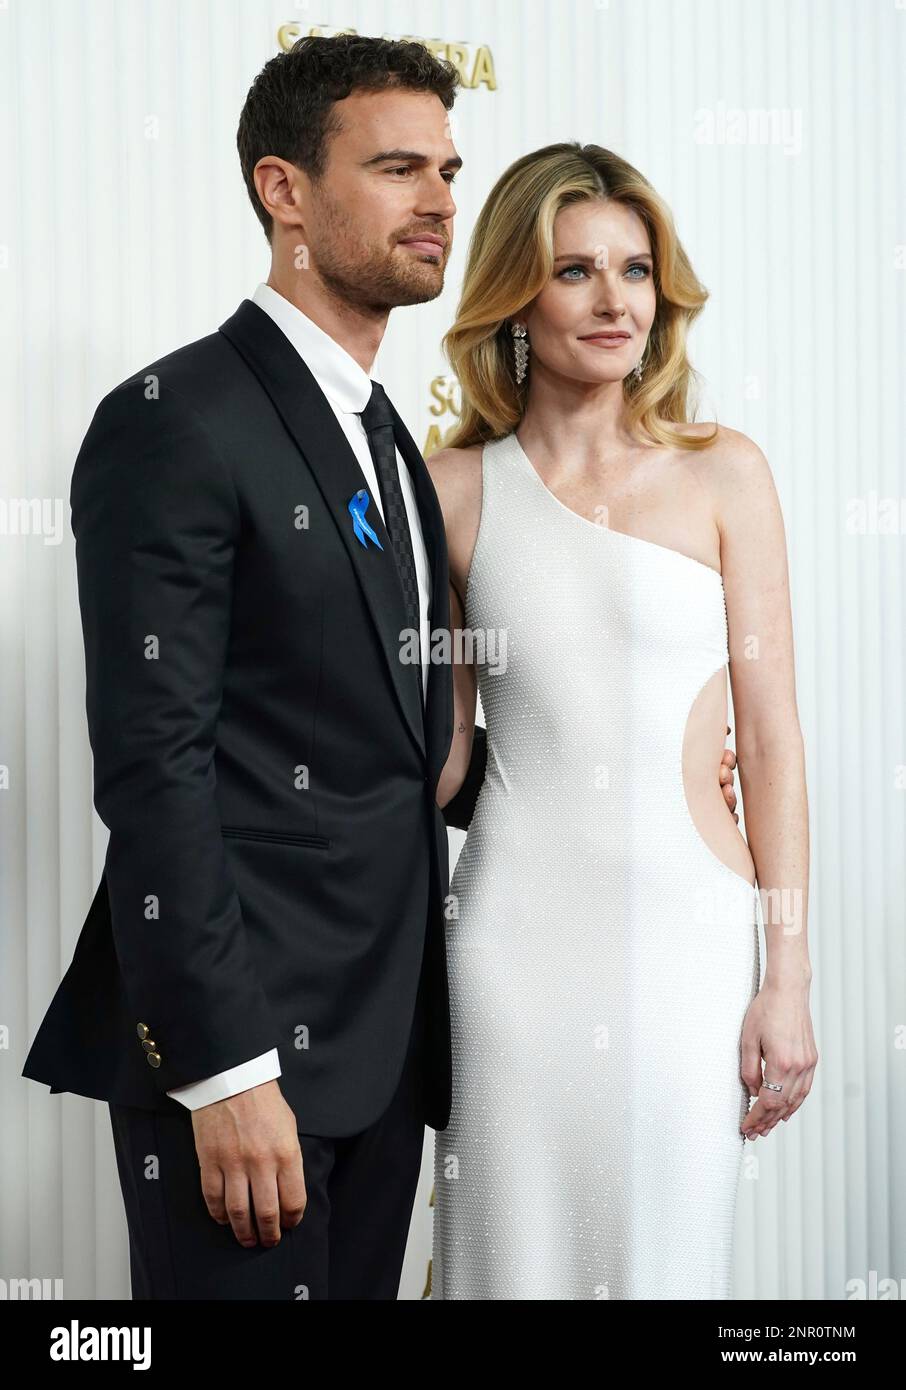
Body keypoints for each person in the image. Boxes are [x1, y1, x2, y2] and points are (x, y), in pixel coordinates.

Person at [21, 36, 739, 1301]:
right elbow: (153, 768)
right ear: (283, 191)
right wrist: (225, 1071)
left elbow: (418, 750)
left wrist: (639, 761)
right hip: (244, 1065)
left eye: (449, 171)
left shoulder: (395, 446)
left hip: (389, 1051)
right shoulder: (176, 418)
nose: (440, 203)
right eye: (397, 167)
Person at [427, 142, 817, 1299]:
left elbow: (778, 741)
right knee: (510, 1263)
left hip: (685, 940)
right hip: (505, 947)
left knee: (664, 1262)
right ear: (513, 296)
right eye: (575, 271)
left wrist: (785, 973)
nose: (614, 302)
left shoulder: (724, 473)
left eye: (636, 271)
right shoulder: (450, 489)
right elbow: (443, 755)